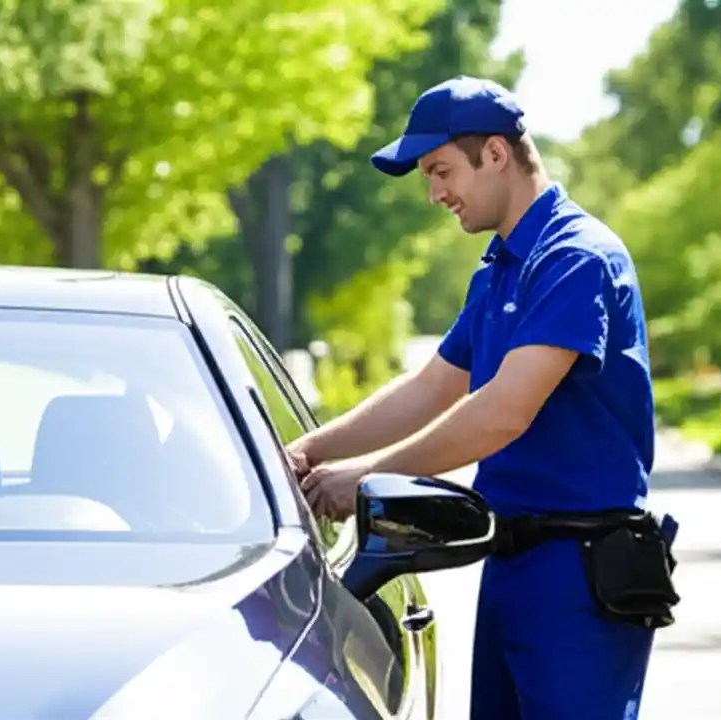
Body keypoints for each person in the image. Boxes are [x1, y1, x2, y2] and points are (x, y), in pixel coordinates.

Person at [286, 76, 665, 720]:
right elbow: (433, 387)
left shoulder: (575, 258)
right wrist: (307, 450)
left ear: (496, 154)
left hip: (579, 576)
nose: (435, 194)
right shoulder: (500, 268)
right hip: (511, 567)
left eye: (440, 171)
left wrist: (368, 479)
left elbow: (502, 412)